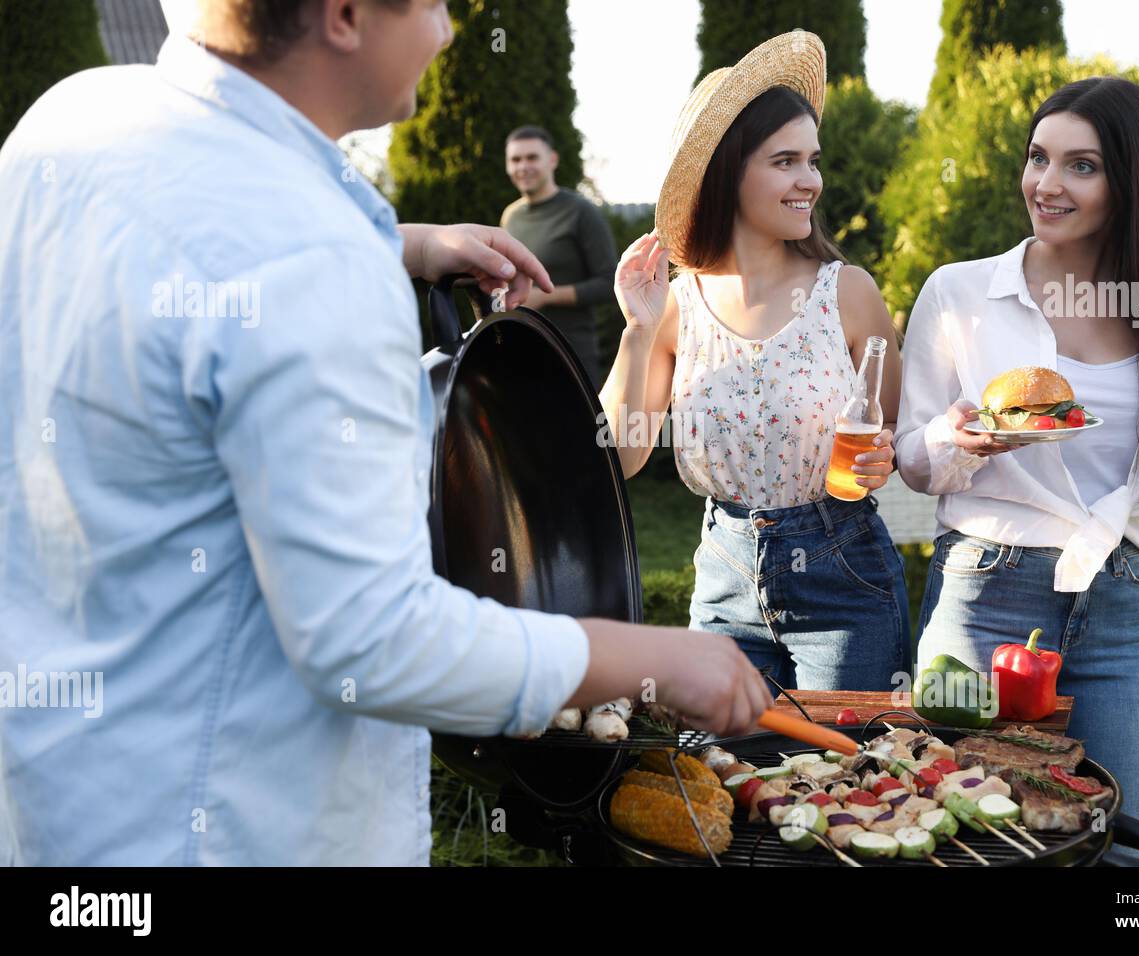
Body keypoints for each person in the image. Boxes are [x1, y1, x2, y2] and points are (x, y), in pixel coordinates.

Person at [0, 0, 769, 866]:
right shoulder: (311, 262)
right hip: (231, 822)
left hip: (64, 795)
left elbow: (198, 247)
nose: (446, 33)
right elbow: (370, 638)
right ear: (346, 15)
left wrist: (402, 243)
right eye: (436, 7)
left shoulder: (67, 122)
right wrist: (654, 657)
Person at [895, 76, 1139, 861]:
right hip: (985, 601)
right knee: (969, 842)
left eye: (1081, 166)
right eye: (1039, 158)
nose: (1046, 184)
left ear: (1129, 183)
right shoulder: (962, 293)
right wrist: (956, 438)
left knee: (1131, 853)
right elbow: (912, 462)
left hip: (1123, 609)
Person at [599, 32, 909, 694]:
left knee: (845, 788)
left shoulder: (847, 294)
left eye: (813, 160)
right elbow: (618, 457)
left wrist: (889, 457)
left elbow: (898, 442)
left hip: (844, 578)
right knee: (725, 785)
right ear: (729, 171)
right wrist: (638, 328)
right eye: (786, 161)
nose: (811, 182)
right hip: (723, 579)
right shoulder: (675, 306)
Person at [501, 124, 618, 384]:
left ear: (552, 159)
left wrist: (545, 297)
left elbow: (610, 283)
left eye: (532, 157)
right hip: (520, 352)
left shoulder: (581, 212)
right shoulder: (510, 217)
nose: (523, 166)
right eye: (515, 159)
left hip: (571, 356)